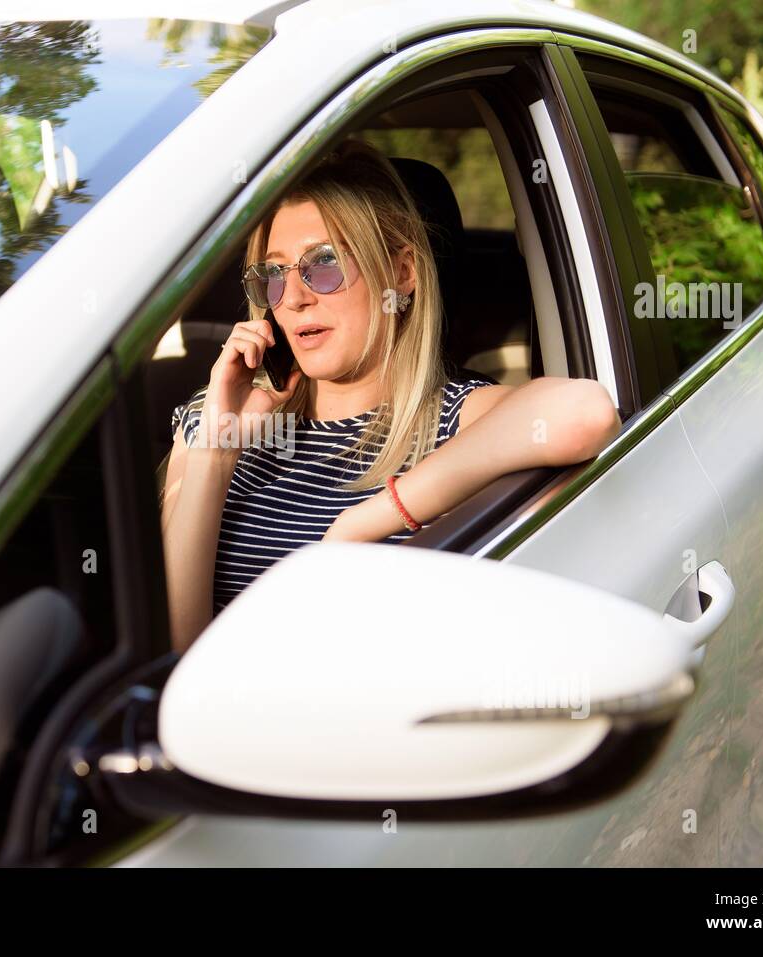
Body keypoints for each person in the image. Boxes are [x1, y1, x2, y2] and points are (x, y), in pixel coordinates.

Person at [161, 138, 619, 653]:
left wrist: (359, 526)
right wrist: (217, 453)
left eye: (325, 262)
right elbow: (177, 650)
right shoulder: (218, 421)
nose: (293, 297)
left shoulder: (452, 418)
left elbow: (584, 413)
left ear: (402, 273)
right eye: (273, 274)